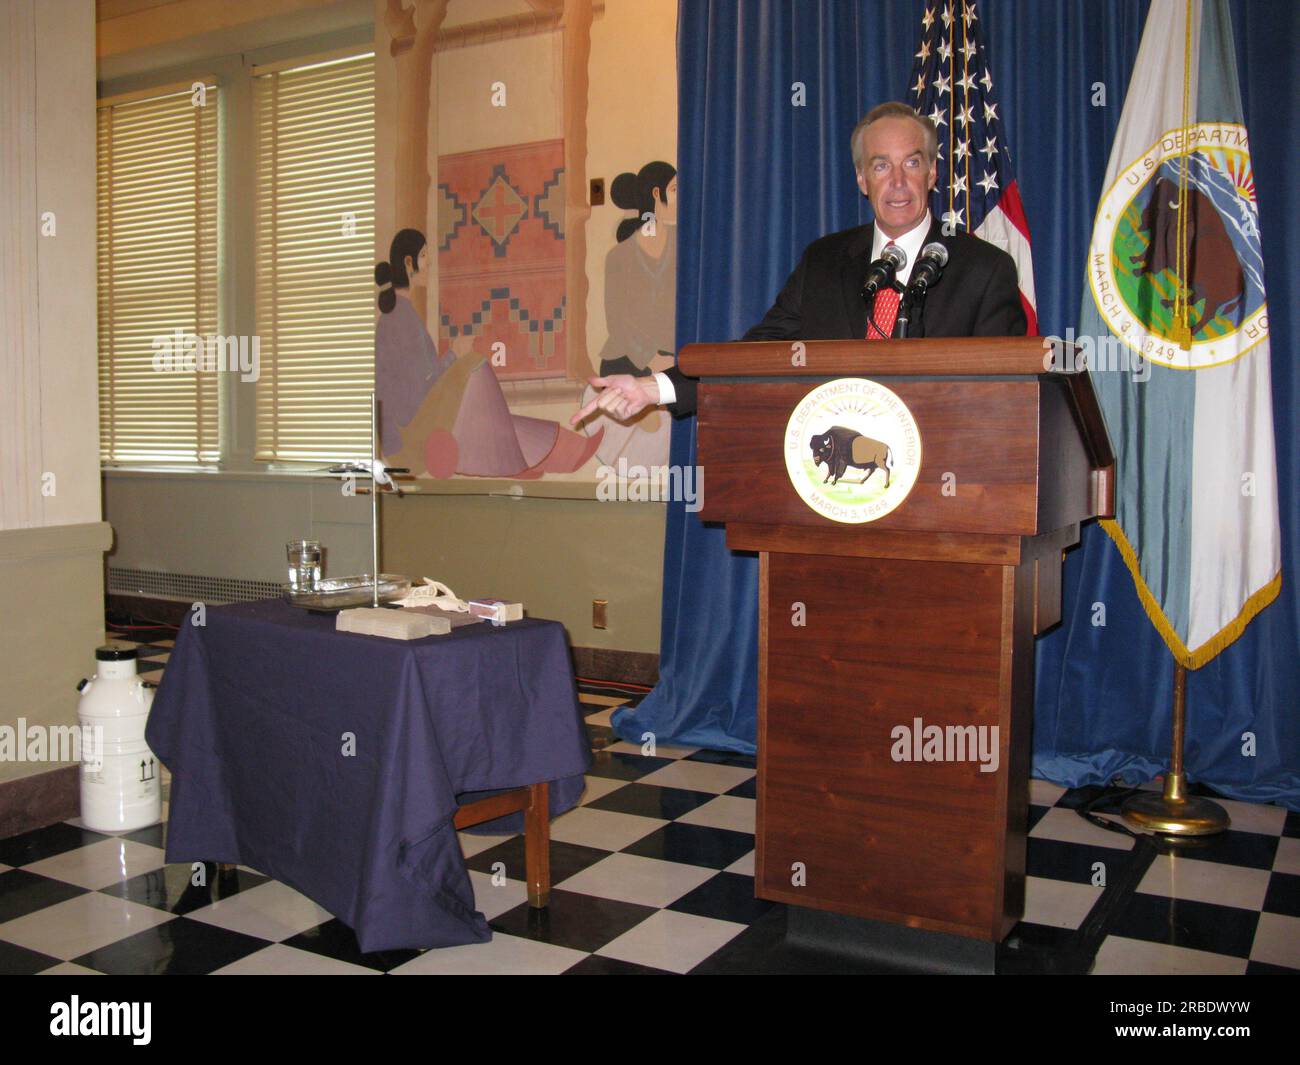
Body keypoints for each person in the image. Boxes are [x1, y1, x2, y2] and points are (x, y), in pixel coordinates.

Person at [571, 101, 1026, 426]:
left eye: (912, 162)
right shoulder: (825, 262)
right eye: (881, 166)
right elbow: (755, 354)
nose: (899, 182)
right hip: (835, 489)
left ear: (932, 172)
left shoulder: (985, 270)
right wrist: (655, 388)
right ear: (861, 180)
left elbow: (1005, 400)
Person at [376, 228, 602, 478]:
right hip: (410, 438)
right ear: (409, 263)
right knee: (474, 363)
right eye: (424, 255)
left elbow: (423, 383)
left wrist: (452, 359)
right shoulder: (398, 319)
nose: (429, 263)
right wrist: (454, 355)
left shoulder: (401, 315)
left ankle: (570, 451)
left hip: (414, 426)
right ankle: (512, 464)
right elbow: (416, 394)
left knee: (492, 424)